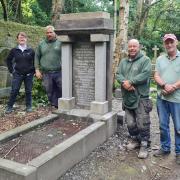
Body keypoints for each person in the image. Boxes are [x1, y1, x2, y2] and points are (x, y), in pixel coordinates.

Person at [116, 39, 152, 159]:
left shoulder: (145, 60)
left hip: (141, 97)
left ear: (139, 47)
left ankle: (144, 144)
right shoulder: (123, 62)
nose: (132, 48)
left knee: (142, 123)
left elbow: (145, 74)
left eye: (134, 46)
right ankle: (135, 140)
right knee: (130, 123)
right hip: (127, 97)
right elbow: (118, 74)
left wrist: (130, 82)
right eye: (130, 46)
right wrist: (124, 82)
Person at [153, 34, 180, 165]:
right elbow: (156, 75)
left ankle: (179, 152)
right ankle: (165, 148)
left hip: (177, 99)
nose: (169, 45)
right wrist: (164, 85)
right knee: (163, 125)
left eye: (171, 42)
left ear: (176, 42)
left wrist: (173, 87)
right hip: (162, 97)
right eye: (166, 43)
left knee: (179, 127)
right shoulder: (160, 59)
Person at [5, 32, 35, 113]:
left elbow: (35, 61)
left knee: (28, 91)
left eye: (23, 37)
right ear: (17, 39)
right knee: (14, 90)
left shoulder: (31, 50)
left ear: (26, 39)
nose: (22, 39)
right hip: (17, 74)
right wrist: (12, 70)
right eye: (20, 38)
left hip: (29, 75)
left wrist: (34, 71)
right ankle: (9, 107)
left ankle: (29, 106)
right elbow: (8, 60)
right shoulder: (14, 50)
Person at [35, 25, 62, 108]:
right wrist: (37, 70)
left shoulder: (60, 42)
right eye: (47, 33)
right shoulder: (41, 44)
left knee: (61, 88)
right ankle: (54, 105)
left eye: (51, 32)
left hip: (59, 71)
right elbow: (36, 56)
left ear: (54, 33)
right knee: (49, 89)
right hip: (46, 72)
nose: (49, 34)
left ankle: (62, 104)